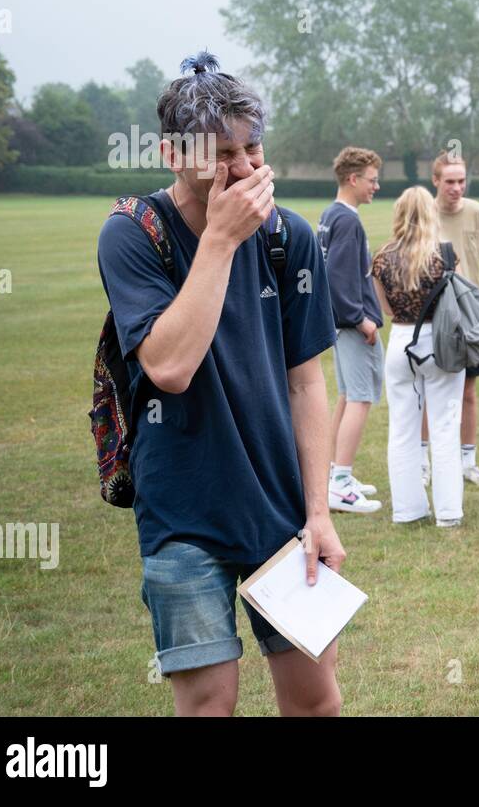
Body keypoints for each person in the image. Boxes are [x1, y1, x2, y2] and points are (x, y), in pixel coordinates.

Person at [97, 51, 347, 716]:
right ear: (172, 155)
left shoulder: (288, 237)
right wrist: (219, 241)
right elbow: (169, 366)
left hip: (281, 508)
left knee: (315, 701)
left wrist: (319, 513)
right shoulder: (133, 233)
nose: (242, 169)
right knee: (210, 704)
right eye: (220, 155)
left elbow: (306, 385)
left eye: (252, 149)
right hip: (183, 512)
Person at [372, 187, 465, 527]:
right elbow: (457, 303)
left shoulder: (381, 257)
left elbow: (385, 309)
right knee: (444, 428)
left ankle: (408, 510)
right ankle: (449, 512)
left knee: (402, 430)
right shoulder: (445, 255)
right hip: (439, 342)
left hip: (401, 340)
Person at [318, 147, 385, 508]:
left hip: (339, 325)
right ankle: (341, 484)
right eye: (372, 180)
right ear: (353, 178)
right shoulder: (347, 220)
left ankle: (332, 473)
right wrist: (361, 320)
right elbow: (338, 277)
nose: (376, 186)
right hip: (353, 325)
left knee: (347, 395)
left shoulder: (331, 214)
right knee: (361, 397)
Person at [430, 151, 479, 486]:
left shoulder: (478, 212)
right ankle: (424, 463)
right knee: (428, 392)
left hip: (470, 318)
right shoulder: (424, 214)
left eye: (461, 181)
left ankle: (468, 461)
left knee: (468, 392)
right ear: (436, 181)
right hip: (433, 316)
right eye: (449, 181)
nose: (456, 188)